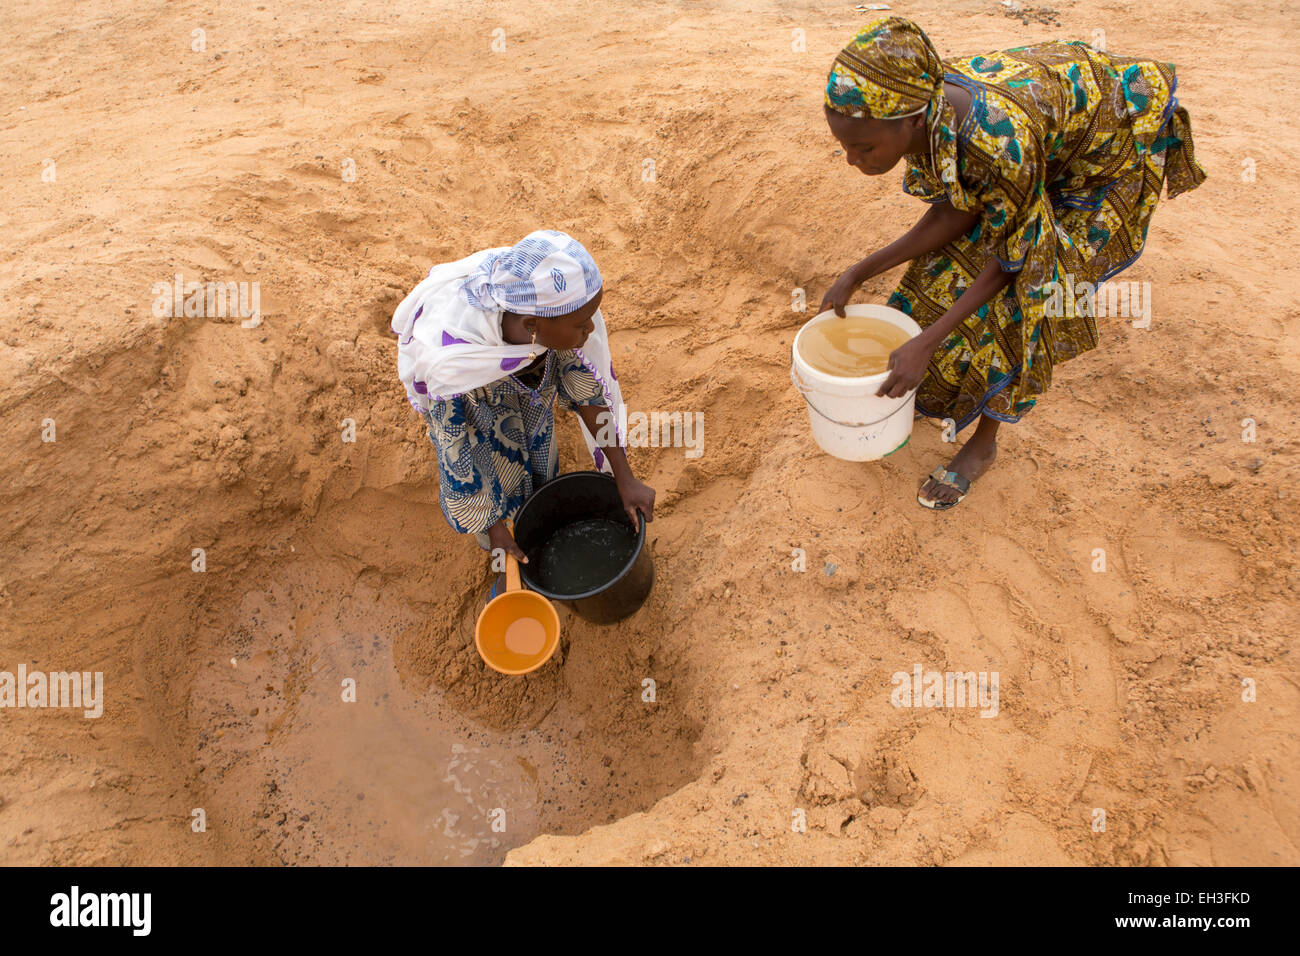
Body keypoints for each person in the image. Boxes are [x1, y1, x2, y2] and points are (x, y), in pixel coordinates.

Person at [818, 17, 1205, 508]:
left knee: (1030, 302)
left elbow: (1013, 263)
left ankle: (983, 445)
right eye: (844, 145)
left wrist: (927, 343)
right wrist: (858, 272)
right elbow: (955, 212)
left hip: (1105, 150)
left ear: (913, 120)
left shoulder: (997, 141)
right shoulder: (924, 114)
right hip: (1044, 132)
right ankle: (936, 386)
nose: (852, 159)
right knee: (944, 273)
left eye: (864, 146)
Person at [391, 230, 655, 563]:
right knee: (499, 484)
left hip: (530, 409)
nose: (590, 331)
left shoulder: (552, 324)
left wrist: (624, 476)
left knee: (540, 465)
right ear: (532, 325)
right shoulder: (457, 370)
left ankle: (537, 505)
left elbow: (588, 396)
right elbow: (458, 456)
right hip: (479, 438)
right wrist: (496, 533)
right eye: (581, 325)